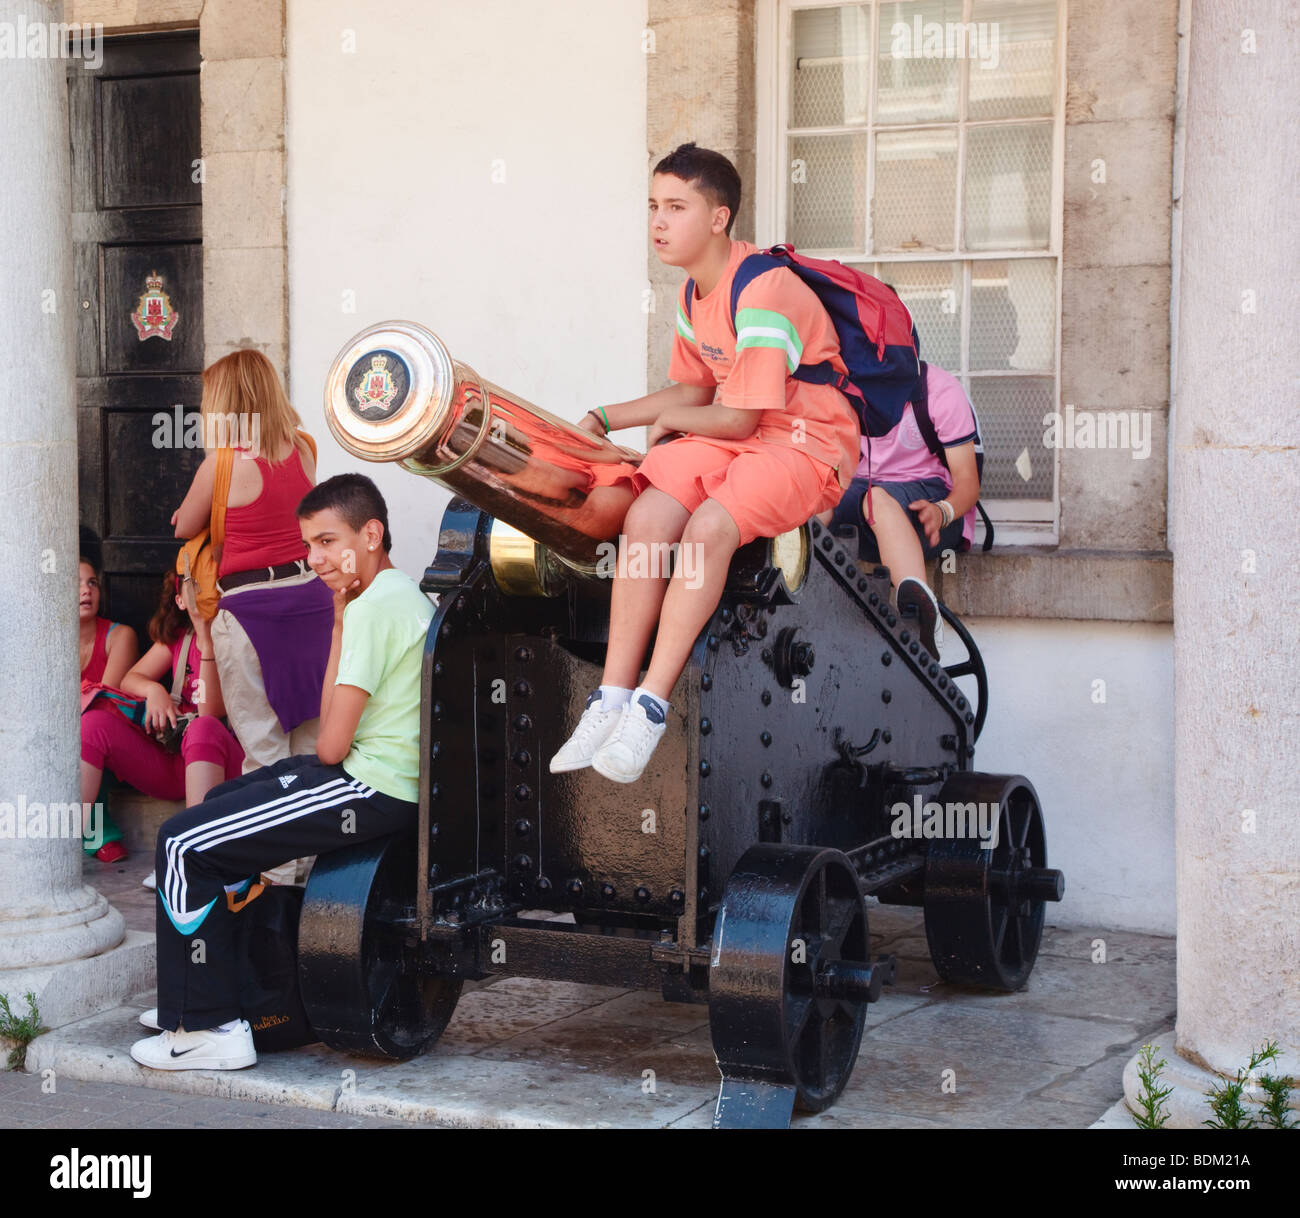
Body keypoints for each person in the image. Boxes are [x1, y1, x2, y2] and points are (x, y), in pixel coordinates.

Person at [549, 142, 859, 785]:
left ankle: (650, 708)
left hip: (807, 441)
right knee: (649, 512)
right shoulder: (694, 293)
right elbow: (693, 394)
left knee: (710, 527)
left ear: (718, 218)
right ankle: (609, 699)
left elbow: (737, 418)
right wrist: (606, 416)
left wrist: (671, 426)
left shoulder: (764, 292)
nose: (658, 222)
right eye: (654, 206)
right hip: (737, 430)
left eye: (676, 207)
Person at [130, 475, 433, 1071]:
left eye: (326, 542)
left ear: (371, 535)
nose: (313, 559)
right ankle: (202, 993)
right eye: (308, 544)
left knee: (183, 843)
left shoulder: (377, 608)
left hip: (366, 787)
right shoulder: (395, 596)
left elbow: (330, 744)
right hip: (377, 780)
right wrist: (339, 623)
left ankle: (207, 1028)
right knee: (220, 811)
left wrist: (350, 622)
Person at [171, 349, 333, 884]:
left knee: (264, 752)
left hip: (249, 612)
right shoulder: (304, 450)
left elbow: (182, 526)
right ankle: (311, 875)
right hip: (310, 604)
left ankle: (278, 882)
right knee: (310, 750)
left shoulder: (220, 465)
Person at [81, 571, 246, 887]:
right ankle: (61, 847)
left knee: (204, 727)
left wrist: (207, 638)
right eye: (194, 585)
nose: (204, 591)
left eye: (210, 582)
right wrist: (155, 691)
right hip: (176, 761)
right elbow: (131, 679)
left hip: (223, 765)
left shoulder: (236, 636)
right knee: (94, 724)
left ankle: (189, 858)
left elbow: (210, 710)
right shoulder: (178, 638)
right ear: (181, 600)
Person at [819, 362, 982, 658]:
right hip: (864, 507)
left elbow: (969, 484)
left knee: (877, 500)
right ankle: (793, 581)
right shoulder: (840, 389)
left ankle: (919, 620)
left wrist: (942, 511)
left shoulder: (939, 390)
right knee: (817, 498)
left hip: (931, 508)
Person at [78, 541, 139, 862]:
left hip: (115, 743)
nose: (86, 591)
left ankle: (97, 832)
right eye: (74, 584)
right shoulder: (47, 641)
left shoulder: (119, 636)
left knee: (90, 725)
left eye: (91, 583)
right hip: (63, 740)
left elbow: (102, 698)